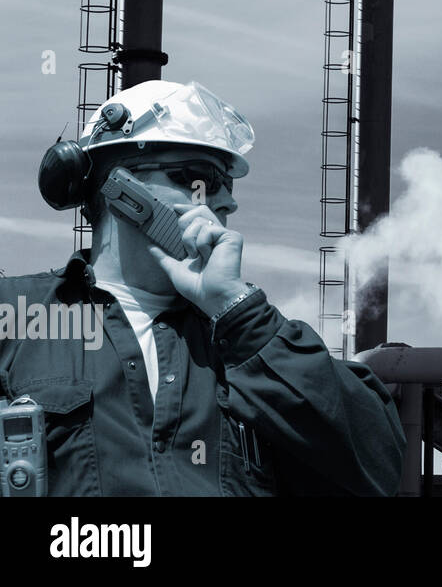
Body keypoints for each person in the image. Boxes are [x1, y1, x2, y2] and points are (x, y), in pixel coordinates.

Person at [1, 79, 405, 496]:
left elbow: (378, 468)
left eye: (228, 185)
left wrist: (237, 311)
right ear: (120, 187)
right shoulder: (16, 317)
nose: (227, 202)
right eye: (201, 178)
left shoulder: (252, 341)